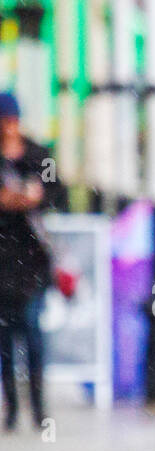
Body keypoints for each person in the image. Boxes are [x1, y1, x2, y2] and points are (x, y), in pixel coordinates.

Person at [0, 91, 58, 432]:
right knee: (5, 340)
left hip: (31, 258)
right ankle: (11, 409)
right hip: (3, 259)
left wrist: (36, 195)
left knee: (34, 334)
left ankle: (39, 408)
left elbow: (56, 191)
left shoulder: (38, 155)